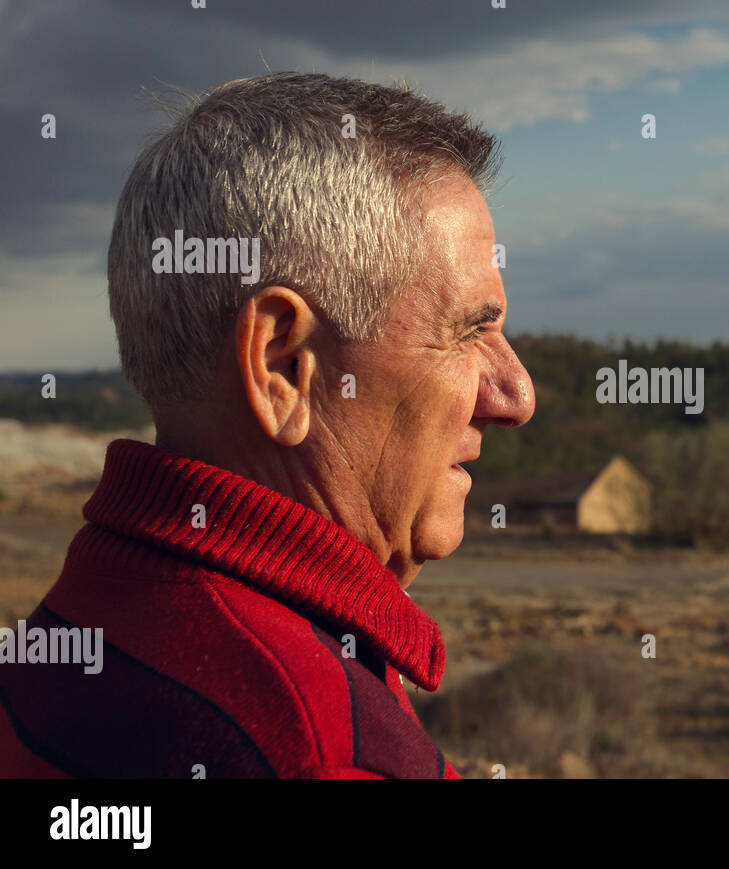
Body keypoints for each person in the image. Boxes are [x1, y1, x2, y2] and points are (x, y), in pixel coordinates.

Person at [0, 73, 534, 778]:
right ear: (281, 365)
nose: (516, 393)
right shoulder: (318, 750)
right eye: (470, 331)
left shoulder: (73, 629)